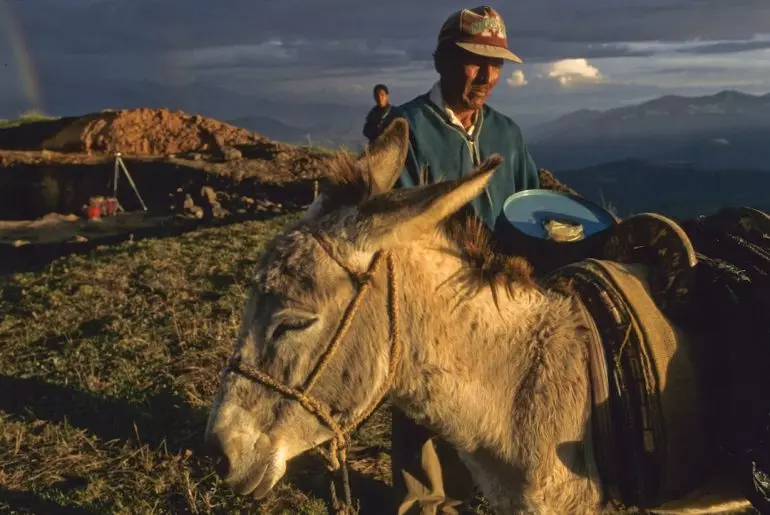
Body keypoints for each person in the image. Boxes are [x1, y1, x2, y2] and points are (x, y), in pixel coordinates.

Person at [387, 5, 540, 514]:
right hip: (433, 293)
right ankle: (425, 501)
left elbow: (528, 204)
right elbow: (398, 224)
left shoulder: (507, 134)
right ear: (443, 60)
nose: (487, 76)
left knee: (487, 400)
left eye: (496, 65)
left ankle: (483, 490)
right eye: (475, 61)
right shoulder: (406, 129)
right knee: (425, 402)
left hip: (497, 298)